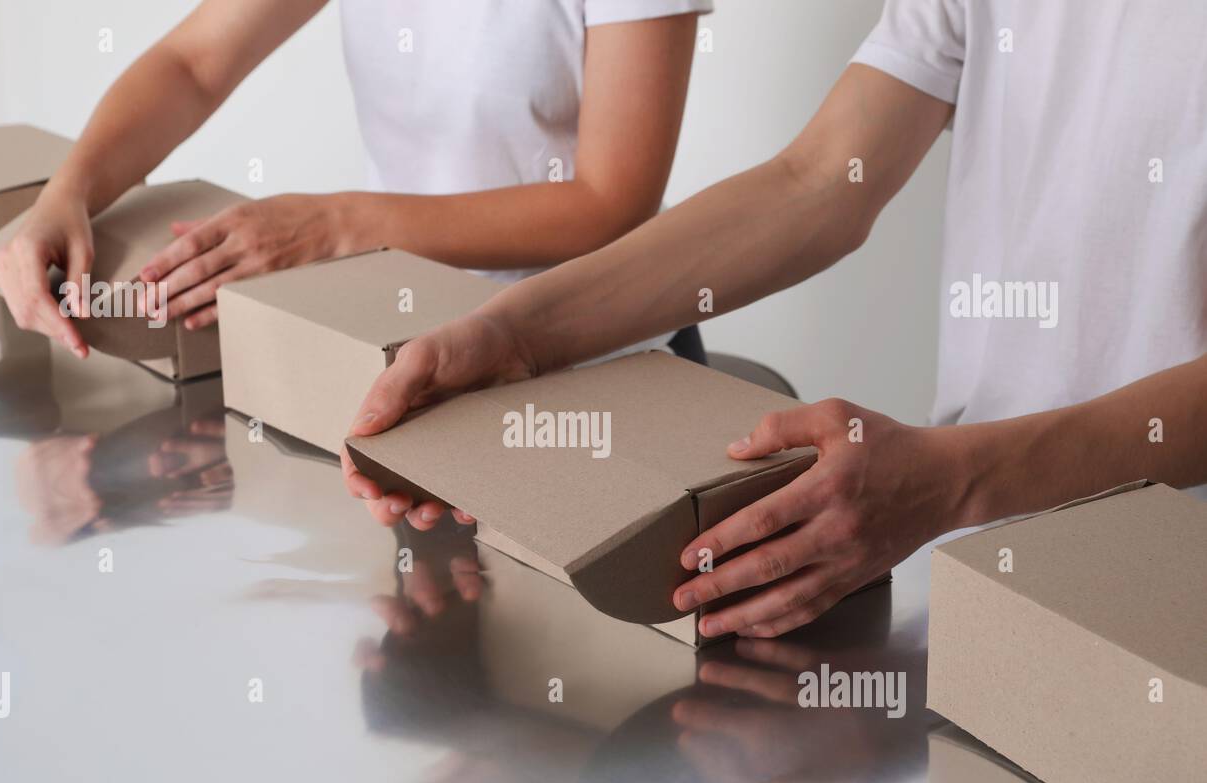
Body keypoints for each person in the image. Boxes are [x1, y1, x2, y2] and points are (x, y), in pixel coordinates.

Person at [345, 0, 1207, 639]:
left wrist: (958, 479)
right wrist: (515, 335)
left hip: (1177, 593)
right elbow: (821, 182)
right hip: (990, 576)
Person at [0, 0, 709, 354]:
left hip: (592, 345)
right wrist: (70, 191)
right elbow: (194, 64)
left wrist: (338, 226)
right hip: (408, 331)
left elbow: (612, 198)